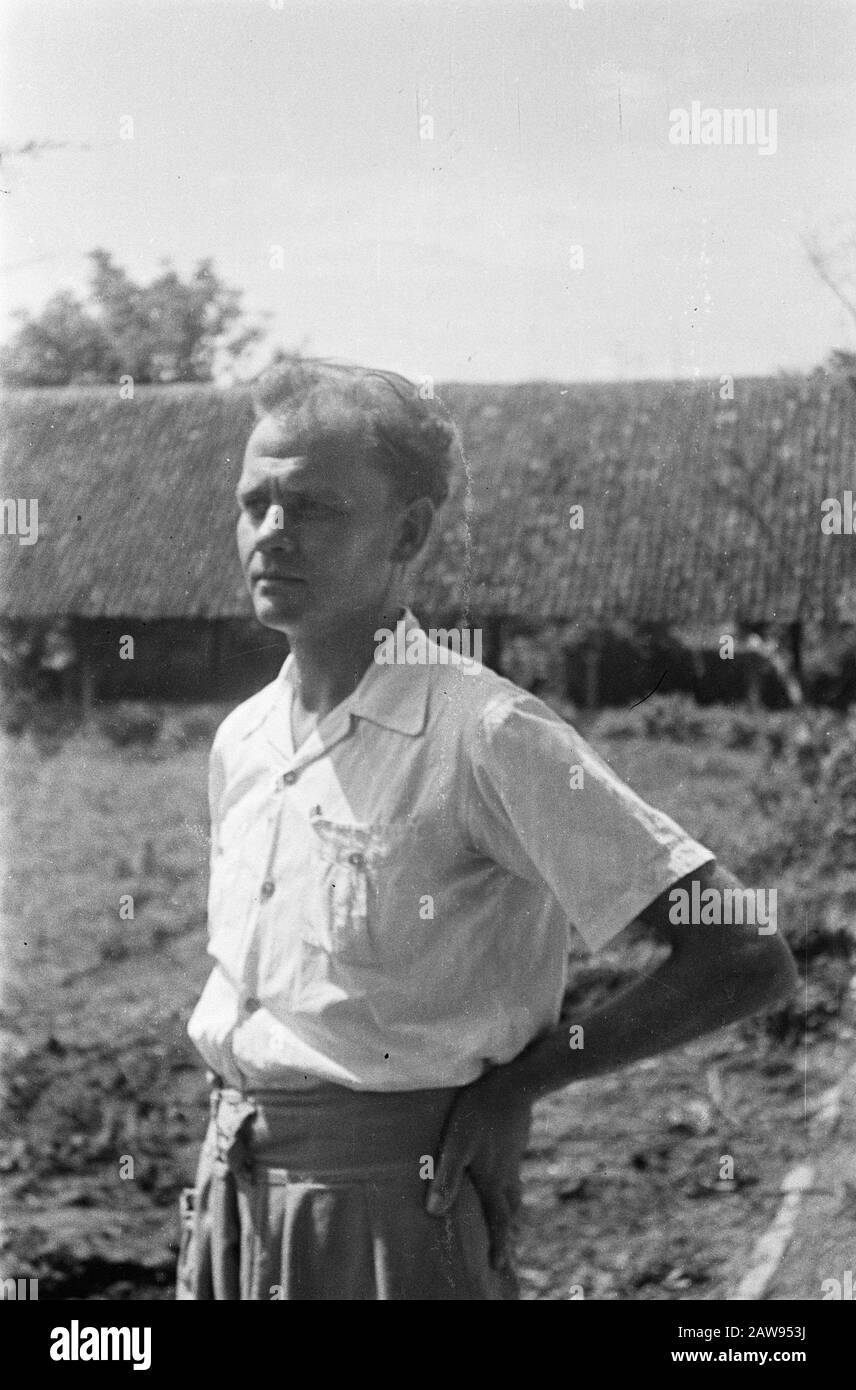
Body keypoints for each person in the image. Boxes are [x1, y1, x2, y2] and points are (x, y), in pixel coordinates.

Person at [177, 358, 797, 1301]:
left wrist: (523, 1083)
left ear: (410, 531)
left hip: (396, 1209)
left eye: (314, 507)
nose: (272, 532)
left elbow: (744, 952)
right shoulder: (245, 739)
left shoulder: (482, 733)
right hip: (233, 1188)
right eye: (253, 501)